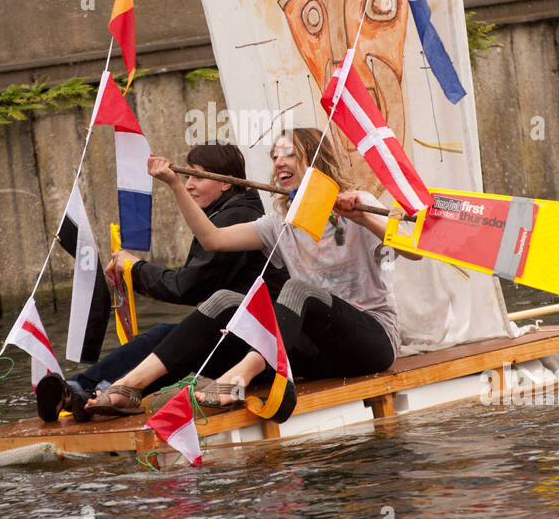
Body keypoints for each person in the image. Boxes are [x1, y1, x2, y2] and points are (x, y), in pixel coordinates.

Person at [85, 127, 419, 422]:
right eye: (275, 156)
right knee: (226, 300)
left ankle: (239, 379)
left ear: (316, 161)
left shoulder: (359, 203)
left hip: (371, 345)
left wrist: (364, 219)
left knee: (297, 288)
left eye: (289, 153)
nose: (278, 162)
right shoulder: (278, 223)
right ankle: (128, 387)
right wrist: (174, 185)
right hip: (313, 357)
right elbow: (212, 239)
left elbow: (413, 252)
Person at [35, 141, 285, 422]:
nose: (189, 185)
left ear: (226, 183)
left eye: (197, 177)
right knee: (171, 336)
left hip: (261, 350)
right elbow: (192, 277)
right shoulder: (229, 214)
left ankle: (90, 389)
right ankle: (87, 389)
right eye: (187, 177)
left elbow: (186, 287)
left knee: (172, 337)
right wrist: (136, 269)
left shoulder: (236, 218)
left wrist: (136, 268)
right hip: (240, 336)